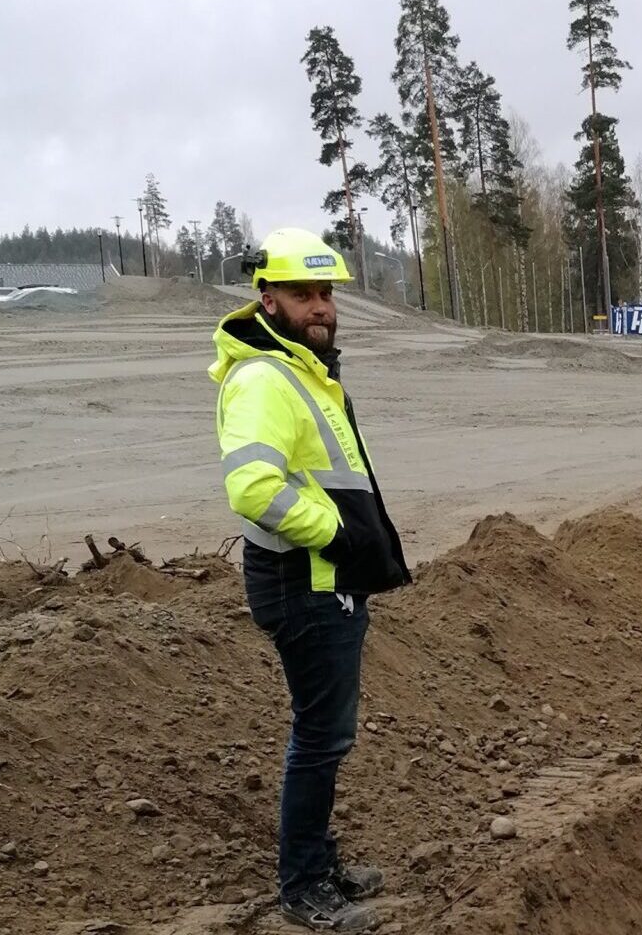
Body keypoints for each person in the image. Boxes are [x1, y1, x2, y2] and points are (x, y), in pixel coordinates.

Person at [211, 228, 411, 931]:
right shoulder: (267, 379)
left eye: (326, 293)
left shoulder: (301, 369)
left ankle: (320, 864)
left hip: (327, 579)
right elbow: (253, 487)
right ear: (268, 297)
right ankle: (302, 887)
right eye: (304, 294)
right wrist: (335, 535)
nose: (321, 307)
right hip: (306, 582)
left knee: (326, 734)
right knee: (320, 738)